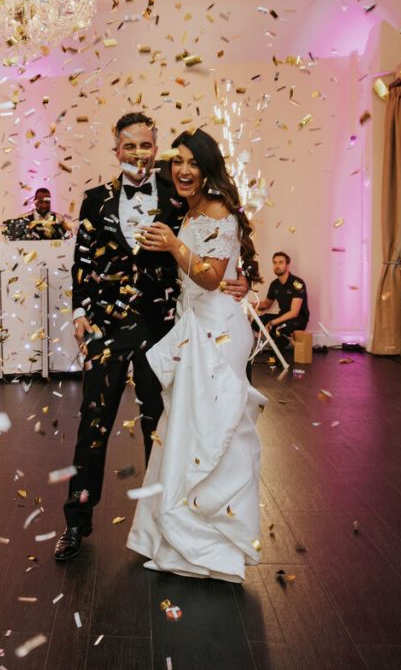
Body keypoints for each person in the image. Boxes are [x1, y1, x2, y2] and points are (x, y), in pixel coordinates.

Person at [54, 113, 248, 561]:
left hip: (162, 332)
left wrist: (243, 280)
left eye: (147, 146)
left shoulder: (181, 197)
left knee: (159, 430)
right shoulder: (93, 200)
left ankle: (162, 525)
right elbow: (82, 265)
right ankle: (76, 524)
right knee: (93, 427)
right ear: (116, 148)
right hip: (104, 329)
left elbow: (221, 240)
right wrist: (81, 313)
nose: (139, 154)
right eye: (130, 146)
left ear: (154, 147)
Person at [127, 128, 266, 583]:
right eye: (177, 161)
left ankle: (212, 544)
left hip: (217, 331)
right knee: (183, 428)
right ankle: (175, 540)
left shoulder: (218, 208)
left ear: (207, 167)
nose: (183, 170)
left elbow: (210, 277)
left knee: (211, 431)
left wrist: (174, 245)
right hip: (192, 324)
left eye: (192, 162)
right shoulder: (184, 207)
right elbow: (219, 264)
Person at [254, 251, 309, 350]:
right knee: (256, 322)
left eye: (280, 262)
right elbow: (266, 304)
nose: (277, 265)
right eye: (275, 262)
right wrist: (250, 305)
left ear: (287, 265)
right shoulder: (274, 284)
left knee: (276, 328)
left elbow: (294, 313)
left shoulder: (297, 283)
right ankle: (283, 342)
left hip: (298, 320)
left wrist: (272, 322)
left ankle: (284, 344)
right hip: (282, 316)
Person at [2, 187, 70, 240]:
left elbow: (68, 239)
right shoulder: (24, 219)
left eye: (47, 202)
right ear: (35, 201)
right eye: (41, 202)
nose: (44, 205)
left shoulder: (59, 219)